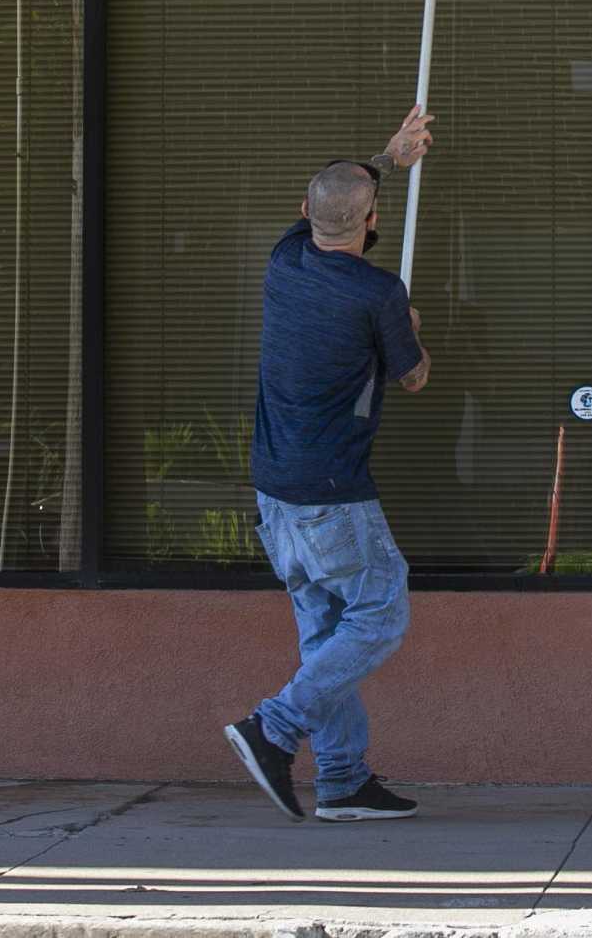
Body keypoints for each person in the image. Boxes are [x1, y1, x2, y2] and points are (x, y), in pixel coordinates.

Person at [225, 105, 435, 823]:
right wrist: (409, 330)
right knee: (380, 614)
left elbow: (339, 194)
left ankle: (342, 778)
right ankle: (274, 727)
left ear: (302, 213)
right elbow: (414, 377)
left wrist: (389, 156)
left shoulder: (284, 259)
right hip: (330, 491)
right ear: (373, 221)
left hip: (275, 488)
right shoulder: (378, 294)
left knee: (325, 634)